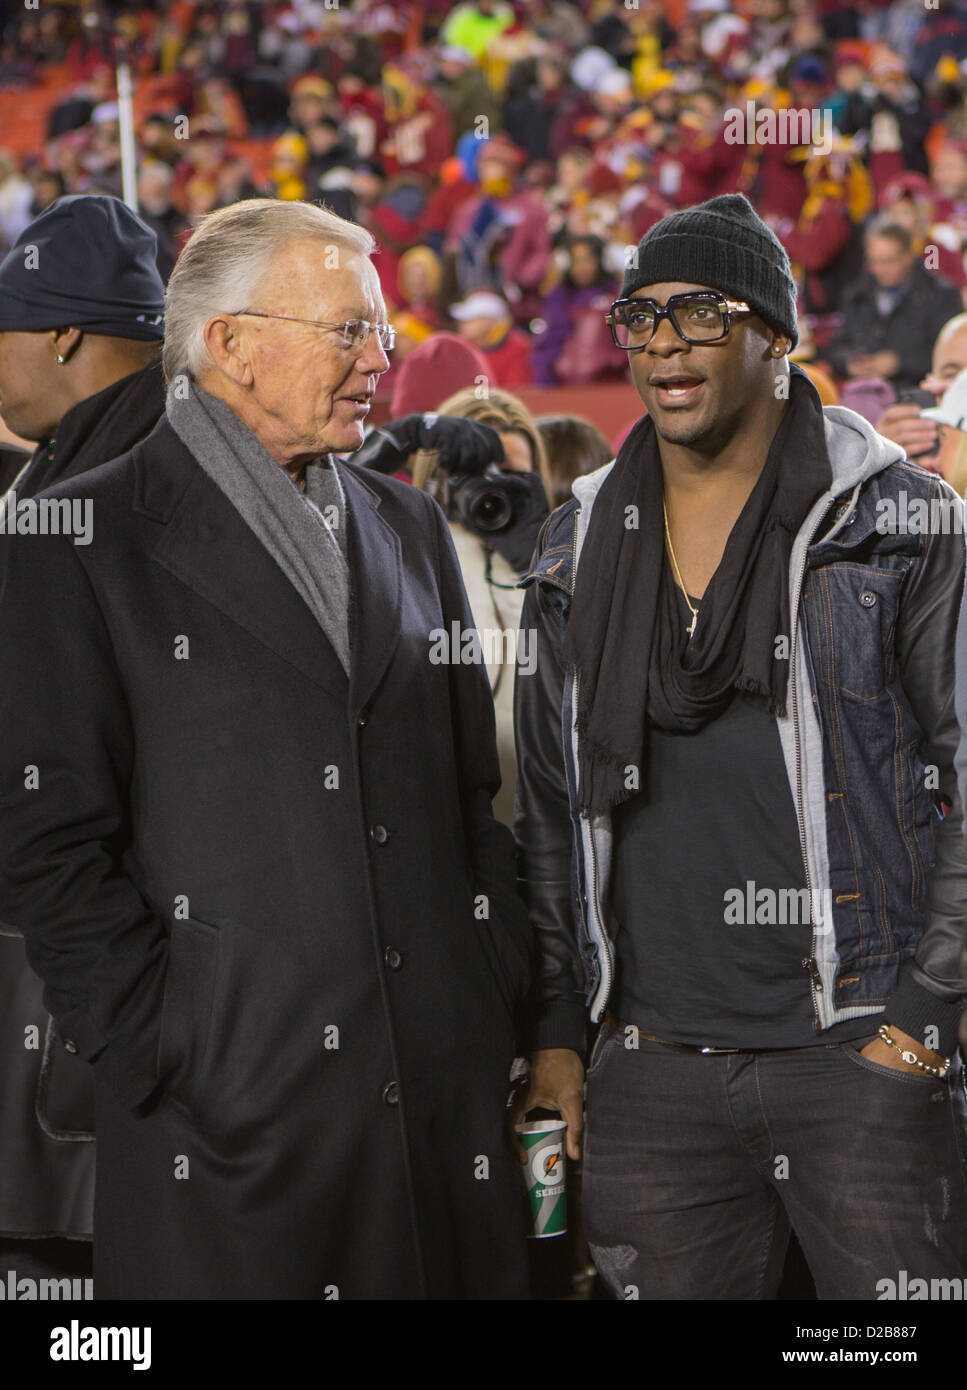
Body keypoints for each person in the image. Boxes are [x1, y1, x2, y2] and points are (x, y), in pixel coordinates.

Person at [0, 197, 532, 1300]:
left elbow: (467, 798)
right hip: (226, 1132)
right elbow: (48, 838)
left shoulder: (411, 525)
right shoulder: (80, 539)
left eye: (377, 330)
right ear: (229, 342)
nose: (377, 358)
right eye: (347, 329)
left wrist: (492, 1000)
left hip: (440, 1112)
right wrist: (165, 1043)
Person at [513, 193, 967, 1300]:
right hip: (655, 1068)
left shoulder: (895, 520)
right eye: (640, 316)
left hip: (855, 1052)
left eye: (702, 313)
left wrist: (920, 1020)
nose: (663, 340)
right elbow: (546, 812)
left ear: (776, 334)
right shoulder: (576, 543)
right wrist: (563, 1031)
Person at [826, 215, 963, 391]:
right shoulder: (857, 294)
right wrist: (849, 362)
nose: (879, 270)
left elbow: (952, 358)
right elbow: (837, 345)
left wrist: (899, 363)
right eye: (874, 261)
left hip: (919, 393)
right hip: (864, 392)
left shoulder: (942, 295)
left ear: (908, 256)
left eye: (888, 261)